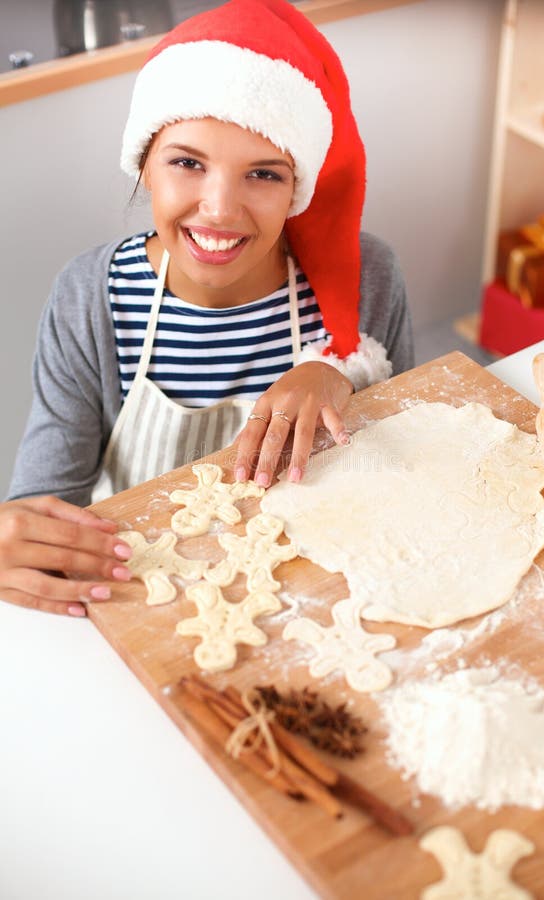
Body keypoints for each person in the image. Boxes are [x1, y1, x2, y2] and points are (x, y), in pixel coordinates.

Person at [1, 0, 413, 618]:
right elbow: (46, 502)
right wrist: (19, 537)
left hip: (319, 595)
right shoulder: (91, 298)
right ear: (143, 162)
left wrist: (344, 376)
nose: (219, 209)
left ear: (298, 188)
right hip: (148, 599)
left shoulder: (368, 280)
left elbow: (409, 451)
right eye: (187, 163)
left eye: (264, 175)